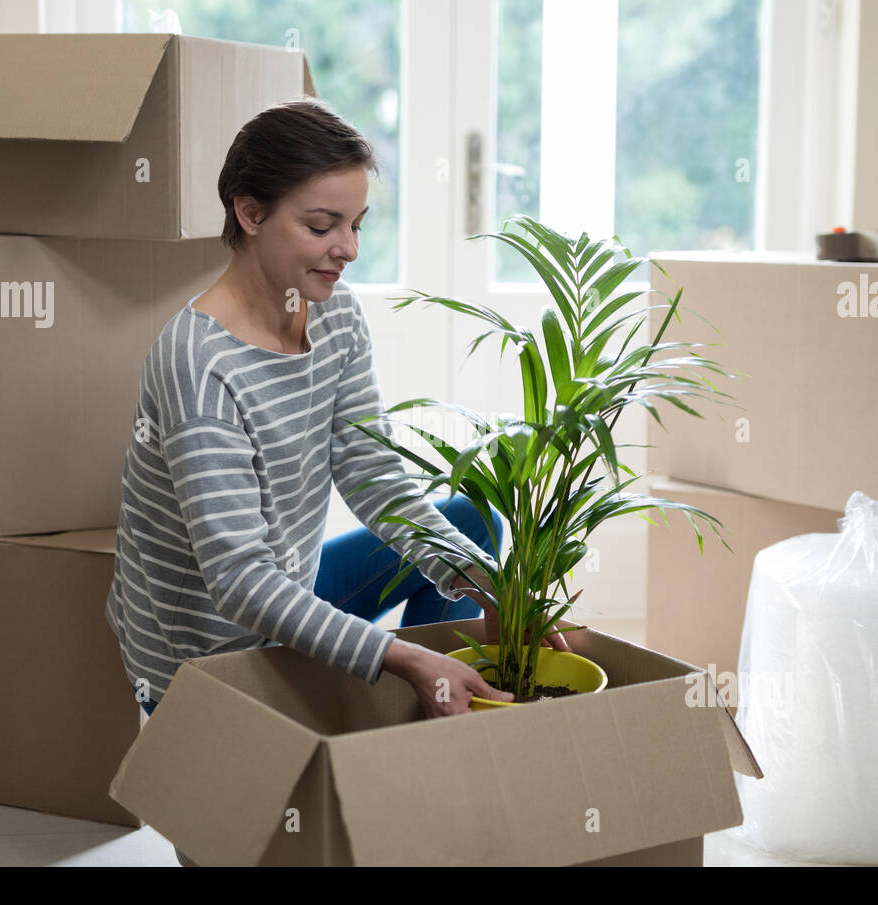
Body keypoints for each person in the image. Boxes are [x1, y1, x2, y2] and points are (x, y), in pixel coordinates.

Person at [104, 98, 568, 721]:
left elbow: (373, 477)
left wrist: (496, 589)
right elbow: (240, 581)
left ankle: (444, 718)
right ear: (250, 211)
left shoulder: (335, 314)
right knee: (381, 698)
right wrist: (401, 658)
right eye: (323, 226)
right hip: (210, 652)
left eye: (357, 224)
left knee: (473, 528)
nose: (347, 248)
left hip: (288, 591)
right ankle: (424, 699)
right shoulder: (200, 364)